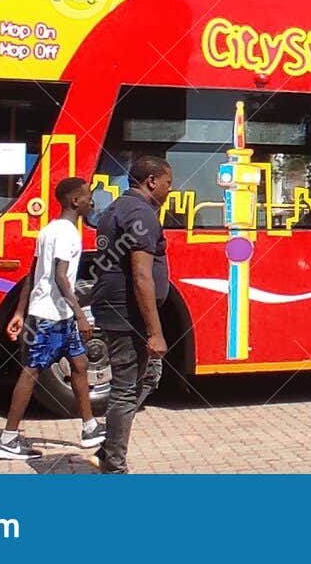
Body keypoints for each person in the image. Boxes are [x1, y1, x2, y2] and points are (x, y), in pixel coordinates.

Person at [0, 178, 106, 461]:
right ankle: (8, 439)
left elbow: (32, 274)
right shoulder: (67, 234)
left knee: (79, 364)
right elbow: (59, 277)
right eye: (88, 197)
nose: (92, 202)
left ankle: (89, 426)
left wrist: (20, 312)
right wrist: (81, 315)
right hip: (50, 317)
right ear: (74, 201)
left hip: (56, 315)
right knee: (31, 372)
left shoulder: (48, 231)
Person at [90, 156, 172, 474]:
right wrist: (155, 331)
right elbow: (141, 275)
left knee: (150, 375)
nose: (170, 188)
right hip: (127, 315)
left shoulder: (116, 207)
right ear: (152, 181)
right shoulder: (141, 214)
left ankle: (107, 447)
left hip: (115, 310)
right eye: (168, 182)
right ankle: (114, 466)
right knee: (125, 389)